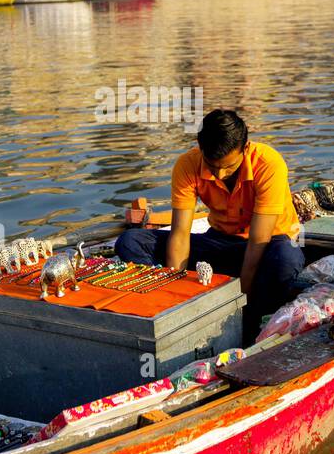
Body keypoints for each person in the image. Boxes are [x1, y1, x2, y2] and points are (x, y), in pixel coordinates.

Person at [115, 110, 305, 343]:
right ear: (200, 147)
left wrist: (239, 304)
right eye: (213, 167)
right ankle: (160, 307)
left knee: (286, 258)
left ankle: (256, 323)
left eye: (229, 167)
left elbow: (258, 241)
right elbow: (180, 234)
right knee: (131, 241)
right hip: (220, 243)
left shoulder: (268, 163)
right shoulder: (188, 164)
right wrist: (178, 296)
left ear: (245, 149)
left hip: (266, 249)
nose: (220, 174)